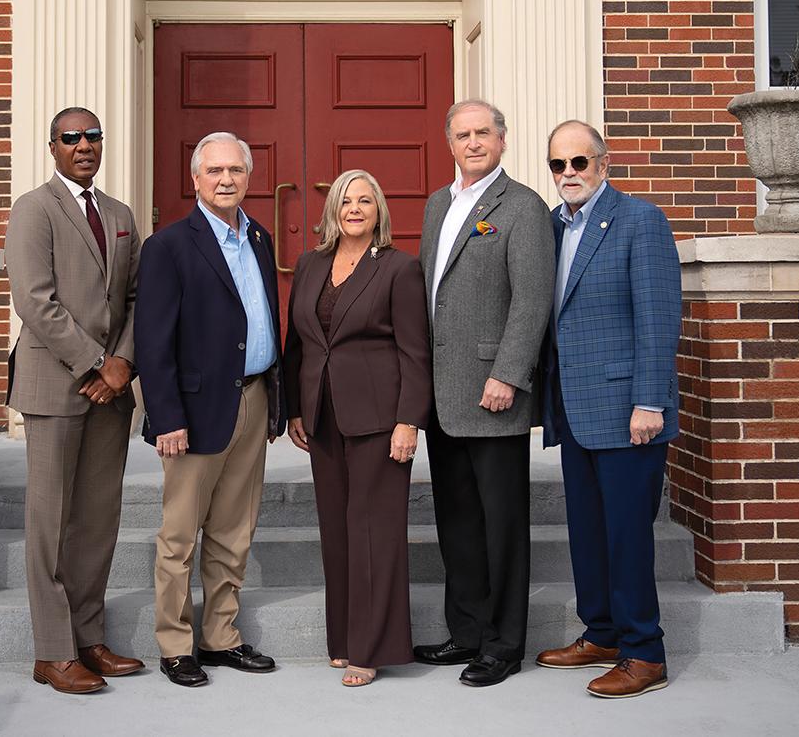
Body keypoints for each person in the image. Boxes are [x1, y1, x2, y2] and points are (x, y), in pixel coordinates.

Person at [536, 120, 682, 698]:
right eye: (557, 165)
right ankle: (601, 633)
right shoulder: (553, 227)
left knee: (626, 535)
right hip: (573, 407)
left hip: (629, 411)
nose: (568, 174)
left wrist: (650, 400)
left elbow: (658, 315)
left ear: (603, 165)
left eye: (578, 162)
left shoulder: (638, 220)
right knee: (588, 532)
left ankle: (644, 653)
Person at [135, 131, 286, 688]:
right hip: (194, 412)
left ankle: (221, 637)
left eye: (236, 171)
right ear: (195, 179)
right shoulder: (169, 246)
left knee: (234, 530)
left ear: (249, 177)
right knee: (180, 536)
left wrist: (277, 403)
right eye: (215, 171)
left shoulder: (260, 238)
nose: (227, 180)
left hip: (253, 398)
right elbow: (153, 342)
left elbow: (266, 319)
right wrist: (166, 416)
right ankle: (176, 646)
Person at [413, 99, 555, 687]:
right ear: (449, 142)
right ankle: (466, 633)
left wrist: (508, 373)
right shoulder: (437, 205)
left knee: (501, 526)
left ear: (502, 139)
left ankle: (502, 644)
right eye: (462, 134)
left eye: (483, 133)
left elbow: (532, 299)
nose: (472, 143)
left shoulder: (522, 207)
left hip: (493, 391)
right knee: (458, 523)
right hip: (443, 396)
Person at [5, 106, 143, 695]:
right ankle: (52, 651)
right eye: (71, 138)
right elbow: (35, 302)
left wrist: (123, 366)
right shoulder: (33, 210)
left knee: (96, 521)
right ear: (53, 146)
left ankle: (89, 638)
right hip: (54, 384)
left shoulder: (118, 214)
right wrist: (96, 363)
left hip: (110, 391)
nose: (83, 145)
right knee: (50, 521)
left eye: (92, 136)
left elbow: (138, 297)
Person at [284, 170, 432, 688]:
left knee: (374, 532)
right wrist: (294, 409)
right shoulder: (310, 264)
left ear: (379, 210)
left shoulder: (399, 268)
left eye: (365, 200)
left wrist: (408, 420)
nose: (354, 208)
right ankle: (344, 639)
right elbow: (297, 345)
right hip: (321, 417)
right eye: (345, 200)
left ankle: (372, 648)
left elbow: (416, 352)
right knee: (337, 533)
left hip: (378, 419)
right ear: (332, 211)